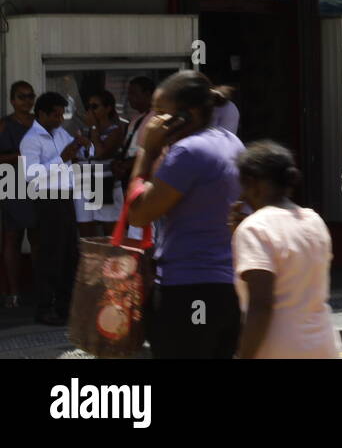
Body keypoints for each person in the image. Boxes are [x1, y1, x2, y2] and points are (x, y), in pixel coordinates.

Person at [127, 72, 245, 359]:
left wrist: (147, 150)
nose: (152, 121)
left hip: (189, 288)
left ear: (187, 114)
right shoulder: (230, 141)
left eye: (160, 112)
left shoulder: (187, 152)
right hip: (227, 287)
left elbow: (139, 214)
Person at [230, 142, 342, 359]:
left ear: (252, 184)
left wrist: (244, 356)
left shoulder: (254, 229)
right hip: (323, 346)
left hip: (278, 349)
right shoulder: (313, 220)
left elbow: (261, 304)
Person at [20, 92, 86, 325]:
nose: (59, 119)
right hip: (47, 199)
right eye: (55, 114)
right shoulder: (31, 139)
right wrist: (61, 158)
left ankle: (65, 306)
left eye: (61, 114)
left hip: (65, 197)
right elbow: (30, 174)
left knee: (69, 253)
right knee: (51, 254)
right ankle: (44, 307)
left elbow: (72, 157)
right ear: (42, 114)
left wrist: (80, 148)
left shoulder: (60, 133)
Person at [0, 81, 38, 307]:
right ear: (12, 100)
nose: (27, 101)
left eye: (30, 96)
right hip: (10, 181)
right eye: (22, 97)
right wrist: (18, 157)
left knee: (37, 238)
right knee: (12, 237)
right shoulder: (4, 125)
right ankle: (14, 292)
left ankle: (40, 289)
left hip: (36, 183)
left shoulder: (40, 124)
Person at [73, 90, 127, 238]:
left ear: (108, 108)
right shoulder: (84, 130)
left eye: (95, 106)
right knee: (85, 229)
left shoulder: (115, 129)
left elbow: (100, 153)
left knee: (109, 230)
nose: (90, 111)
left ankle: (111, 260)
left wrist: (94, 129)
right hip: (83, 180)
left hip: (102, 180)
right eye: (88, 107)